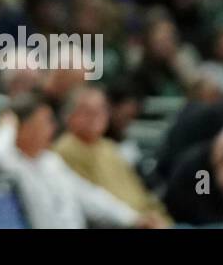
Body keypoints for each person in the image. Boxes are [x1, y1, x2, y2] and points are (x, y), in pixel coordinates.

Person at [0, 92, 158, 229]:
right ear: (24, 127)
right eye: (44, 122)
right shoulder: (11, 164)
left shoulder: (51, 161)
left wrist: (133, 218)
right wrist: (8, 126)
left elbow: (90, 196)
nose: (52, 128)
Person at [52, 86, 172, 225]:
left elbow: (140, 194)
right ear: (70, 116)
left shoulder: (109, 147)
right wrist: (139, 220)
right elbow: (94, 204)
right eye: (88, 111)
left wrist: (158, 218)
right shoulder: (65, 150)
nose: (96, 116)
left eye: (101, 110)